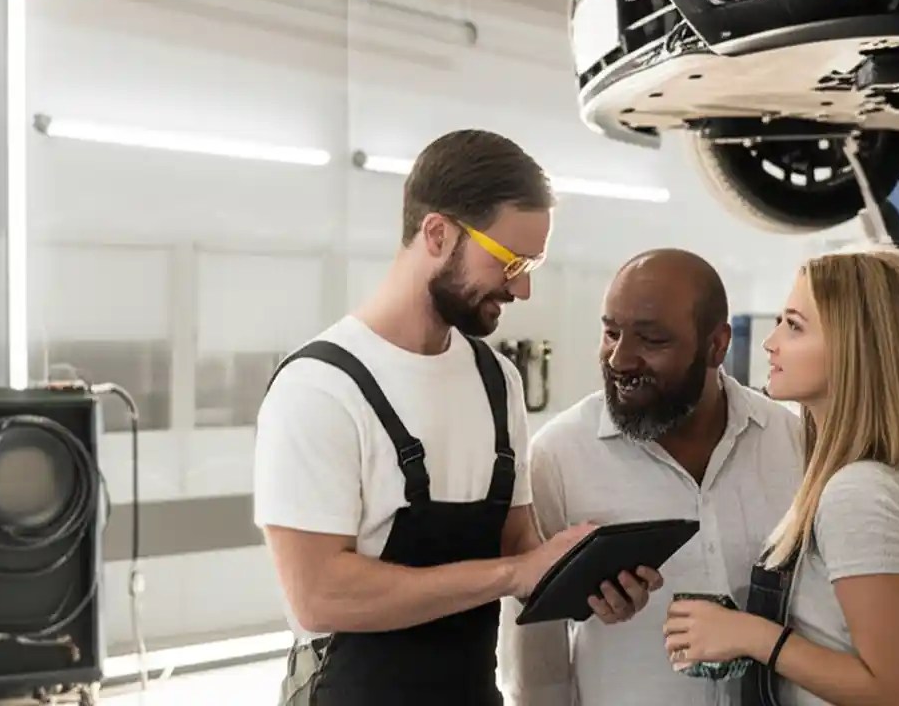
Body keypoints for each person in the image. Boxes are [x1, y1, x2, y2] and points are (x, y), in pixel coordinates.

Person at [253, 129, 661, 706]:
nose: (522, 287)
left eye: (533, 264)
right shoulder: (320, 388)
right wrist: (514, 576)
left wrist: (579, 580)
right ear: (438, 234)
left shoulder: (498, 380)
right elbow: (319, 596)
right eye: (512, 261)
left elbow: (517, 544)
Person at [499, 248, 805, 706]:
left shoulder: (793, 442)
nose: (621, 359)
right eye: (610, 333)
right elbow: (533, 655)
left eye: (652, 340)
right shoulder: (559, 456)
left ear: (716, 345)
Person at [662, 243, 899, 706]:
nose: (770, 341)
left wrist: (752, 636)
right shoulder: (874, 483)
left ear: (857, 348)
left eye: (794, 326)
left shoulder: (860, 494)